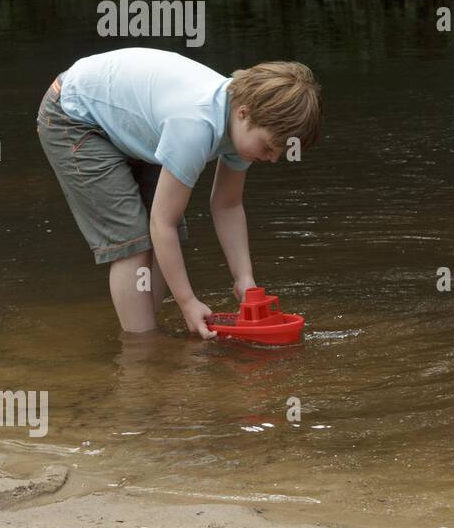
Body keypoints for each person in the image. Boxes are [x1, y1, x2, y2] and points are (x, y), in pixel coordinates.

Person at [36, 47, 322, 336]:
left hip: (128, 119)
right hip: (73, 114)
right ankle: (141, 352)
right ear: (244, 113)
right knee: (133, 242)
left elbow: (227, 205)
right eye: (269, 148)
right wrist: (187, 302)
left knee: (168, 234)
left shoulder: (242, 126)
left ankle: (150, 330)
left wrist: (244, 278)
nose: (272, 159)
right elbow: (163, 224)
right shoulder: (195, 125)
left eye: (280, 153)